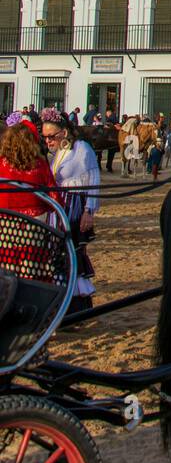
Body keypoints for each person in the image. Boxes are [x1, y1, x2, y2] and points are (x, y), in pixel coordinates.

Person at [41, 109, 100, 313]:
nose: (48, 141)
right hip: (59, 207)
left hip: (74, 206)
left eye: (51, 136)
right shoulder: (58, 153)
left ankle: (76, 304)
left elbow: (93, 180)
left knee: (72, 252)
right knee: (59, 254)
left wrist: (89, 211)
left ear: (64, 133)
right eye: (45, 137)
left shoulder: (82, 149)